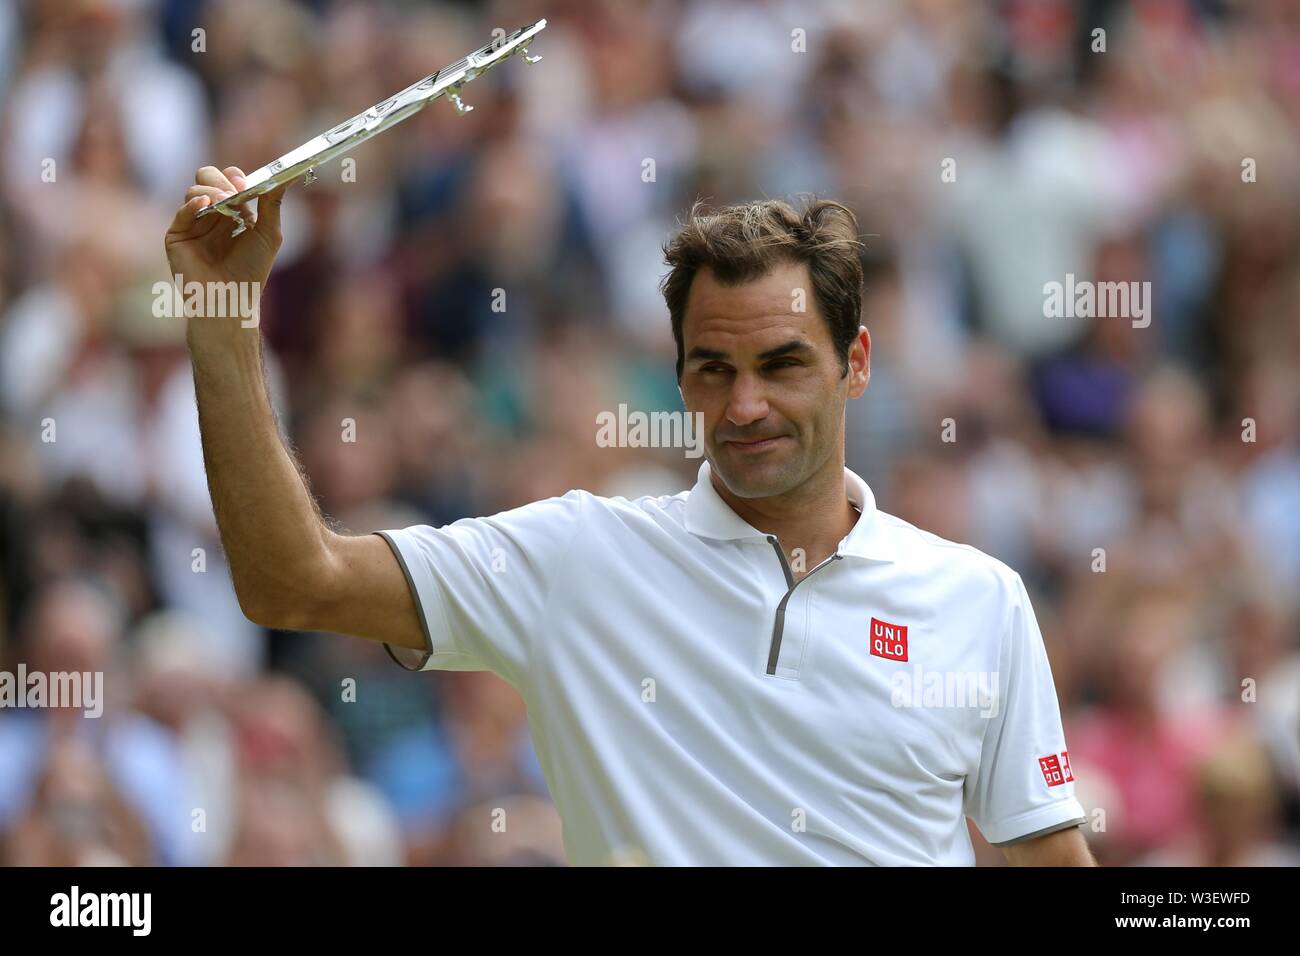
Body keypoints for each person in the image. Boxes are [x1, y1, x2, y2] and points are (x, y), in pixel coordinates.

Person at [164, 167, 1095, 866]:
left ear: (855, 364)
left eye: (782, 365)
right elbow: (295, 579)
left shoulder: (980, 600)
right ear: (680, 374)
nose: (744, 407)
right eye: (713, 370)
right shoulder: (579, 555)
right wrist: (221, 311)